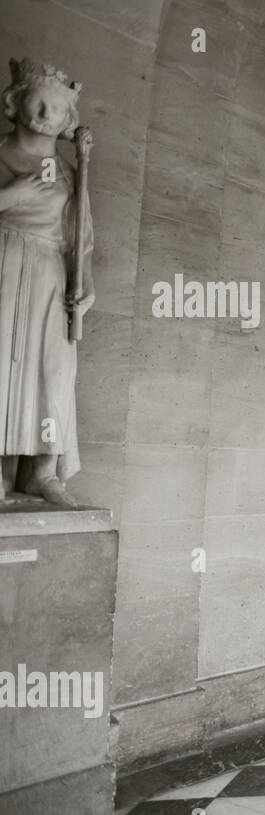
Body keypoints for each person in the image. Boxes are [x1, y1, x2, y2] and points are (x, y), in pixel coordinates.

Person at [0, 58, 93, 505]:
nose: (46, 113)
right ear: (16, 104)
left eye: (57, 108)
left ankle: (42, 469)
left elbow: (79, 238)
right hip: (4, 264)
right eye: (38, 102)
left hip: (50, 277)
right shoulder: (1, 154)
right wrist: (12, 195)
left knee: (51, 373)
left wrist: (86, 285)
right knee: (4, 368)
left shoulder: (66, 174)